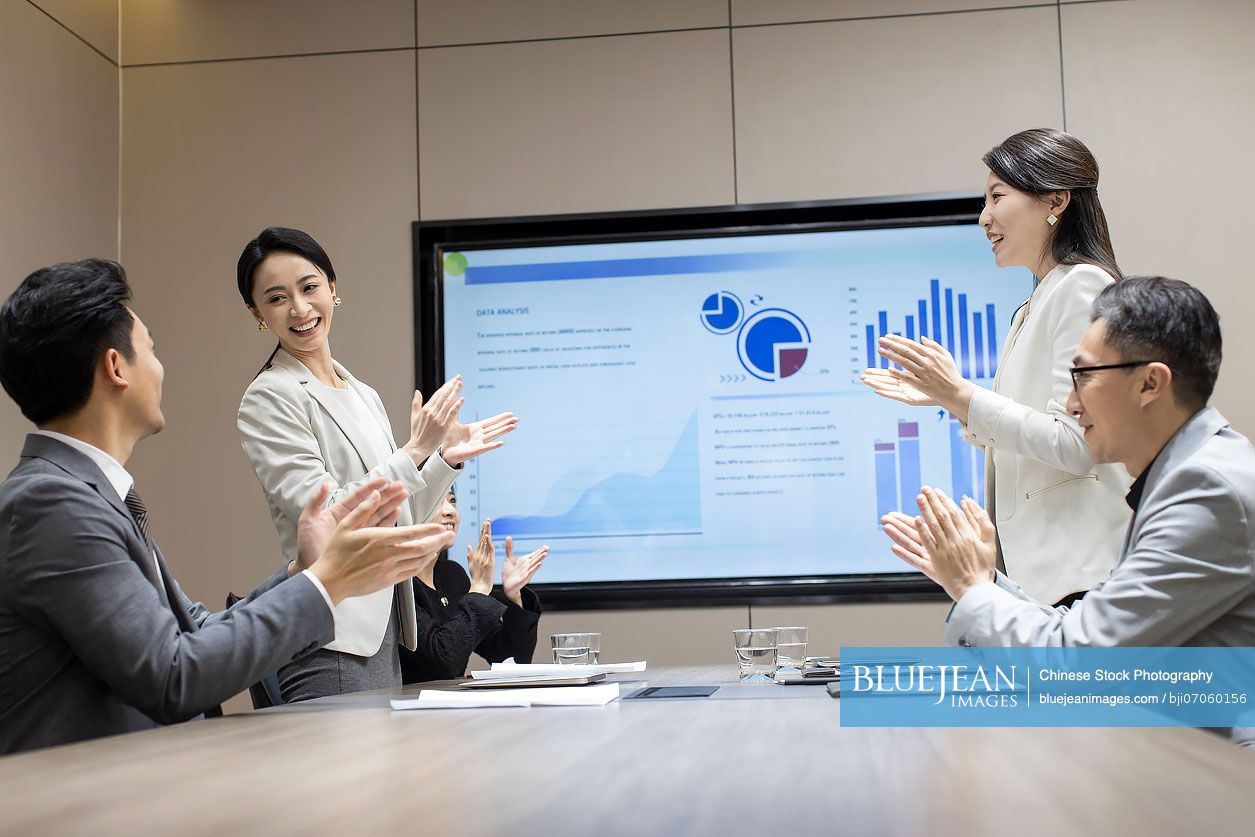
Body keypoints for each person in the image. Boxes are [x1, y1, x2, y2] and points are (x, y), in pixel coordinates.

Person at [0, 259, 454, 754]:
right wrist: (326, 583)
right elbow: (173, 676)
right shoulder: (52, 502)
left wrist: (305, 569)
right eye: (151, 348)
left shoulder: (84, 491)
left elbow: (193, 630)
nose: (160, 366)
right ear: (116, 367)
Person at [882, 277, 1254, 744]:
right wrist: (985, 580)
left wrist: (972, 588)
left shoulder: (1206, 489)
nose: (1072, 405)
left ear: (1150, 383)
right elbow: (1085, 634)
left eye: (1084, 377)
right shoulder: (1187, 474)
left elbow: (1080, 663)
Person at [236, 227, 518, 702]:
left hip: (384, 626)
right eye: (277, 298)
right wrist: (413, 451)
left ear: (332, 287)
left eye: (309, 288)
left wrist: (443, 459)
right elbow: (324, 518)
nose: (301, 310)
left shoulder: (361, 393)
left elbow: (395, 514)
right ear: (257, 313)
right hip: (330, 631)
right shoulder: (269, 396)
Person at [861, 128, 1130, 606]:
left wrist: (961, 394)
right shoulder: (1032, 305)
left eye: (997, 196)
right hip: (1047, 583)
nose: (984, 218)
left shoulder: (1082, 285)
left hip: (1084, 580)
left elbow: (1076, 443)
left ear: (1057, 200)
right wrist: (952, 398)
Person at [400, 490, 548, 682]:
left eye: (452, 501)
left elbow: (510, 657)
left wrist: (514, 595)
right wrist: (478, 587)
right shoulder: (399, 582)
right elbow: (440, 664)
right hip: (407, 705)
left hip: (450, 705)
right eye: (437, 500)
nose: (450, 511)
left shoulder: (452, 575)